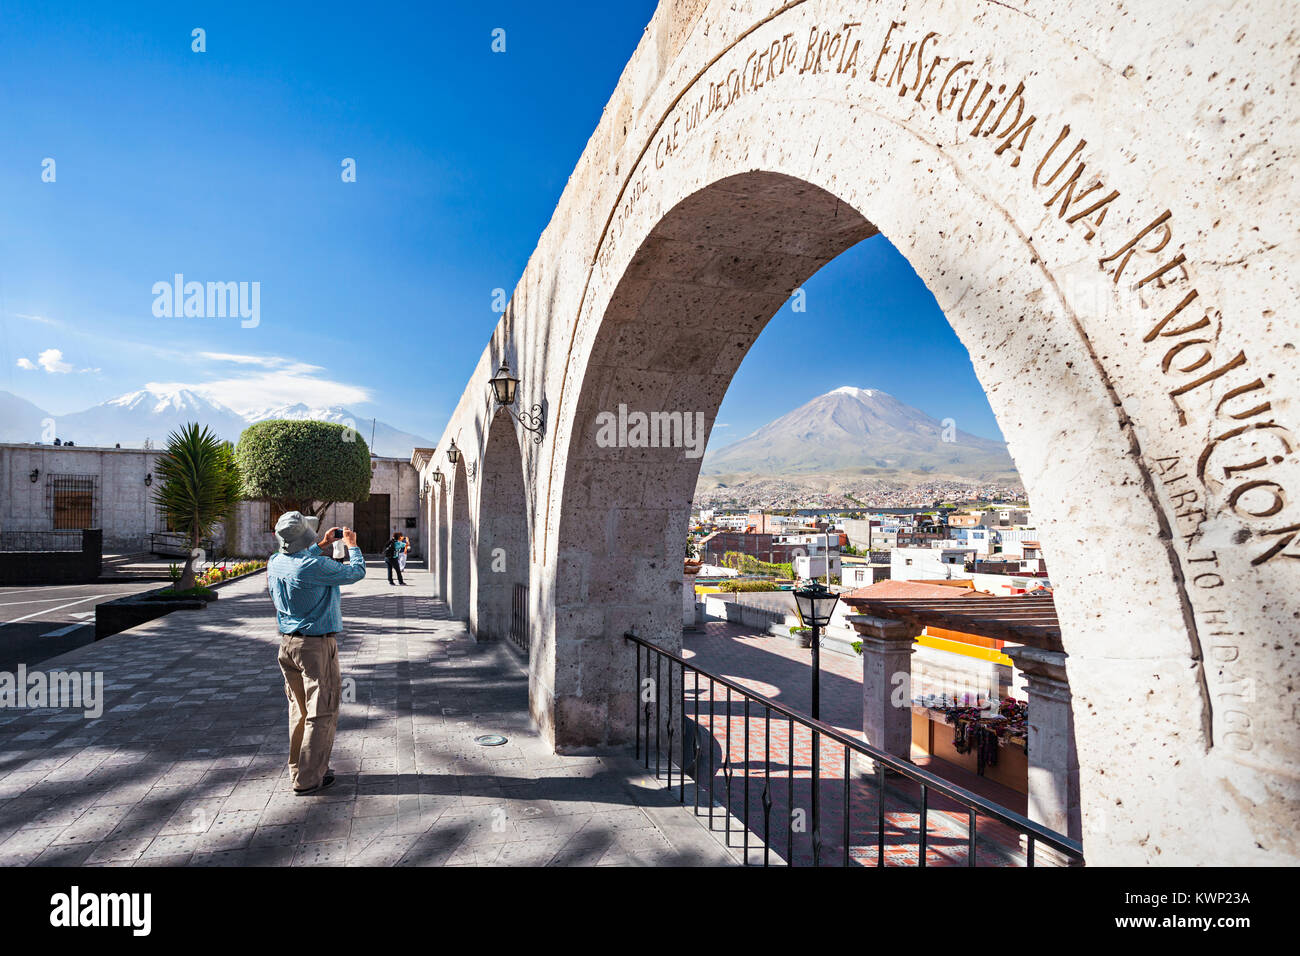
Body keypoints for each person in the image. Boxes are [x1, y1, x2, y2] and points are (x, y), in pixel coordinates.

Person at [267, 512, 366, 795]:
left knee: (299, 710)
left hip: (288, 645)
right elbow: (356, 573)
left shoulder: (275, 562)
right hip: (315, 647)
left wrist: (320, 544)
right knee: (321, 711)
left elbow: (299, 558)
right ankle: (309, 779)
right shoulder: (315, 566)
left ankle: (300, 770)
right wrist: (353, 546)